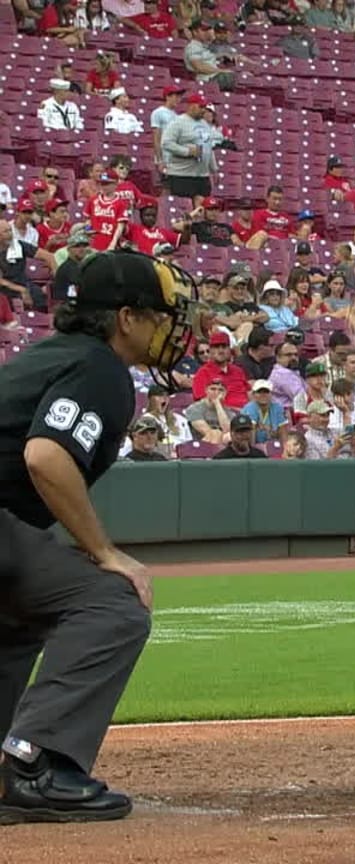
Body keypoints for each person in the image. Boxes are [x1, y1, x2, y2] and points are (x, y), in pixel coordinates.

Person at [0, 250, 198, 823]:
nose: (168, 328)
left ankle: (12, 762)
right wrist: (104, 553)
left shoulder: (54, 356)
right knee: (112, 601)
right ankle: (37, 764)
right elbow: (46, 456)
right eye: (159, 315)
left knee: (15, 615)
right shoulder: (99, 367)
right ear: (125, 318)